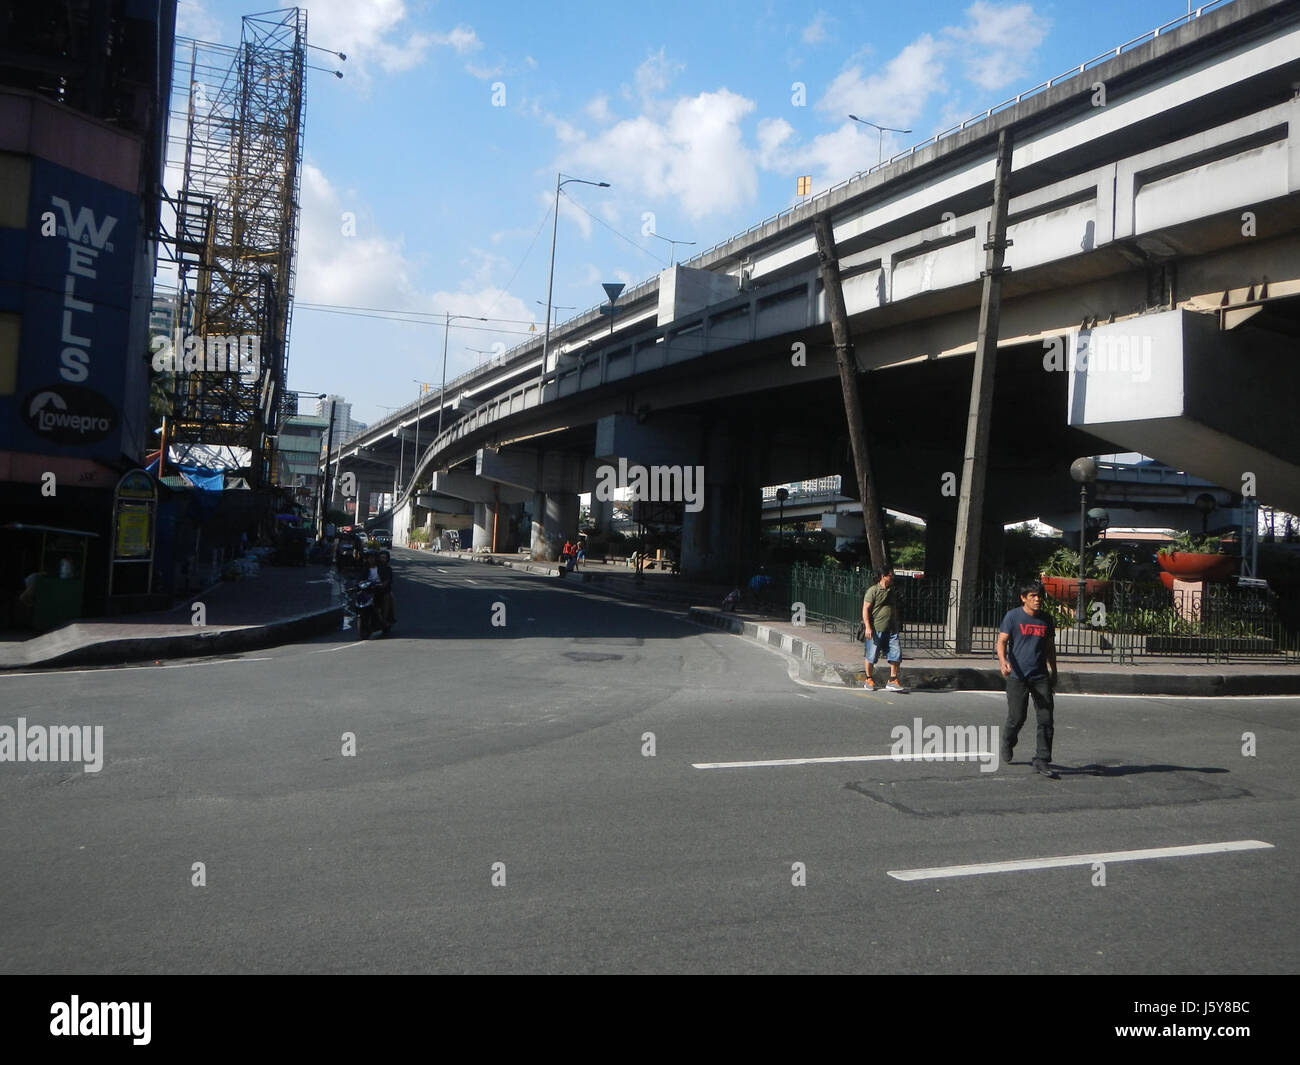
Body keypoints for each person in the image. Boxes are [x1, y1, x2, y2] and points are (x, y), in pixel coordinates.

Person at [996, 581, 1059, 778]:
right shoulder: (1013, 616)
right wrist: (1003, 661)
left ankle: (1042, 759)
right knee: (1017, 717)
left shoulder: (1047, 620)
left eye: (1039, 596)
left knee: (1046, 718)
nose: (1037, 599)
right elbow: (1002, 641)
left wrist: (1054, 670)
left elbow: (1049, 647)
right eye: (1032, 596)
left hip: (1040, 675)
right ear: (1024, 598)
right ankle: (1008, 740)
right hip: (1018, 676)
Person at [862, 568, 903, 691]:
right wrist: (868, 627)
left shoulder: (892, 591)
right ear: (883, 576)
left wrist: (897, 623)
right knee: (871, 655)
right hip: (876, 629)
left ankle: (892, 680)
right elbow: (865, 609)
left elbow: (894, 608)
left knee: (896, 654)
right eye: (890, 576)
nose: (892, 578)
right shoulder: (873, 591)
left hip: (891, 629)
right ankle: (868, 678)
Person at [374, 550, 396, 632]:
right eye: (381, 557)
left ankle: (385, 618)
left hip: (383, 589)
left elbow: (388, 580)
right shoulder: (372, 567)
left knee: (388, 597)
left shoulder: (388, 569)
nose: (382, 559)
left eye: (384, 558)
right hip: (371, 589)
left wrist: (383, 585)